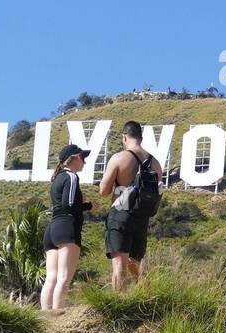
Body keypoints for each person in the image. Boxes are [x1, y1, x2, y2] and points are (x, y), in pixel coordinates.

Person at [100, 121, 164, 291]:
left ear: (124, 137)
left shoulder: (120, 158)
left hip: (121, 211)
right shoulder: (155, 163)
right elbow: (157, 191)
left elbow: (104, 191)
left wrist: (119, 186)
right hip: (142, 216)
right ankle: (145, 297)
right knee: (135, 264)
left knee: (119, 265)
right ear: (141, 138)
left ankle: (119, 305)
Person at [40, 145, 95, 311]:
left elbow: (64, 202)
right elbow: (69, 205)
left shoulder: (57, 178)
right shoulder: (71, 176)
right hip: (67, 227)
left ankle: (45, 317)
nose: (84, 162)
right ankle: (57, 318)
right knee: (64, 278)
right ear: (75, 157)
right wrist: (89, 206)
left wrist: (80, 199)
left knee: (51, 278)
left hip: (52, 230)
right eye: (83, 158)